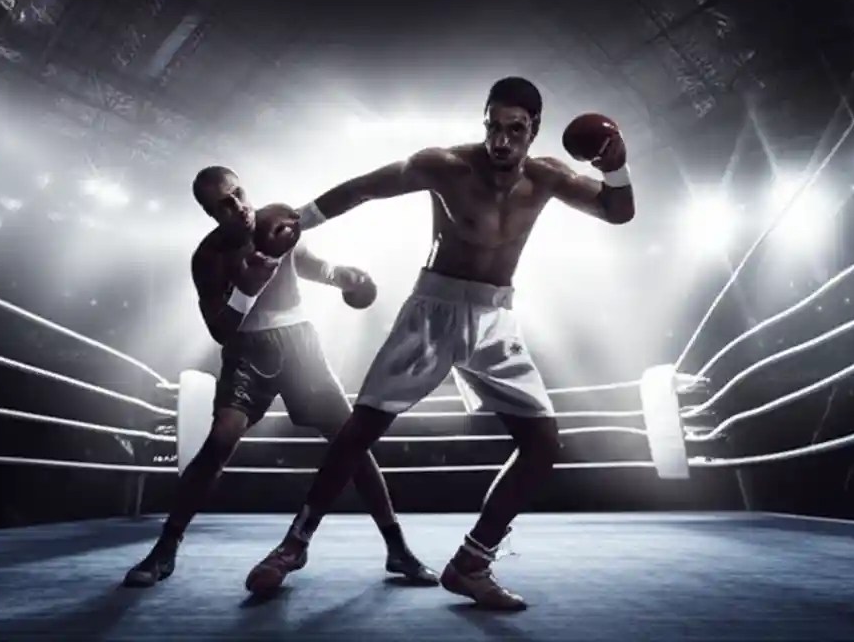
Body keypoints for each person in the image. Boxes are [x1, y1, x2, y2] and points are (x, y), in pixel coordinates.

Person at [245, 77, 635, 609]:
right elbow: (362, 188)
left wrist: (616, 167)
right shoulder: (445, 166)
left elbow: (617, 211)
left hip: (495, 317)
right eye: (493, 127)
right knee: (360, 431)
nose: (501, 141)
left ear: (534, 130)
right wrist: (296, 222)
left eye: (515, 130)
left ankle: (472, 563)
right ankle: (293, 546)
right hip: (432, 311)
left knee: (543, 444)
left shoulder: (548, 177)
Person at [123, 165, 437, 588]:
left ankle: (397, 548)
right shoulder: (209, 257)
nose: (237, 206)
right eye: (223, 205)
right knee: (220, 440)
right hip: (247, 352)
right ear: (210, 213)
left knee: (351, 441)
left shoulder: (277, 220)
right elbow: (220, 330)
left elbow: (309, 264)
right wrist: (246, 289)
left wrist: (342, 277)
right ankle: (165, 549)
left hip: (299, 344)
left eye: (238, 194)